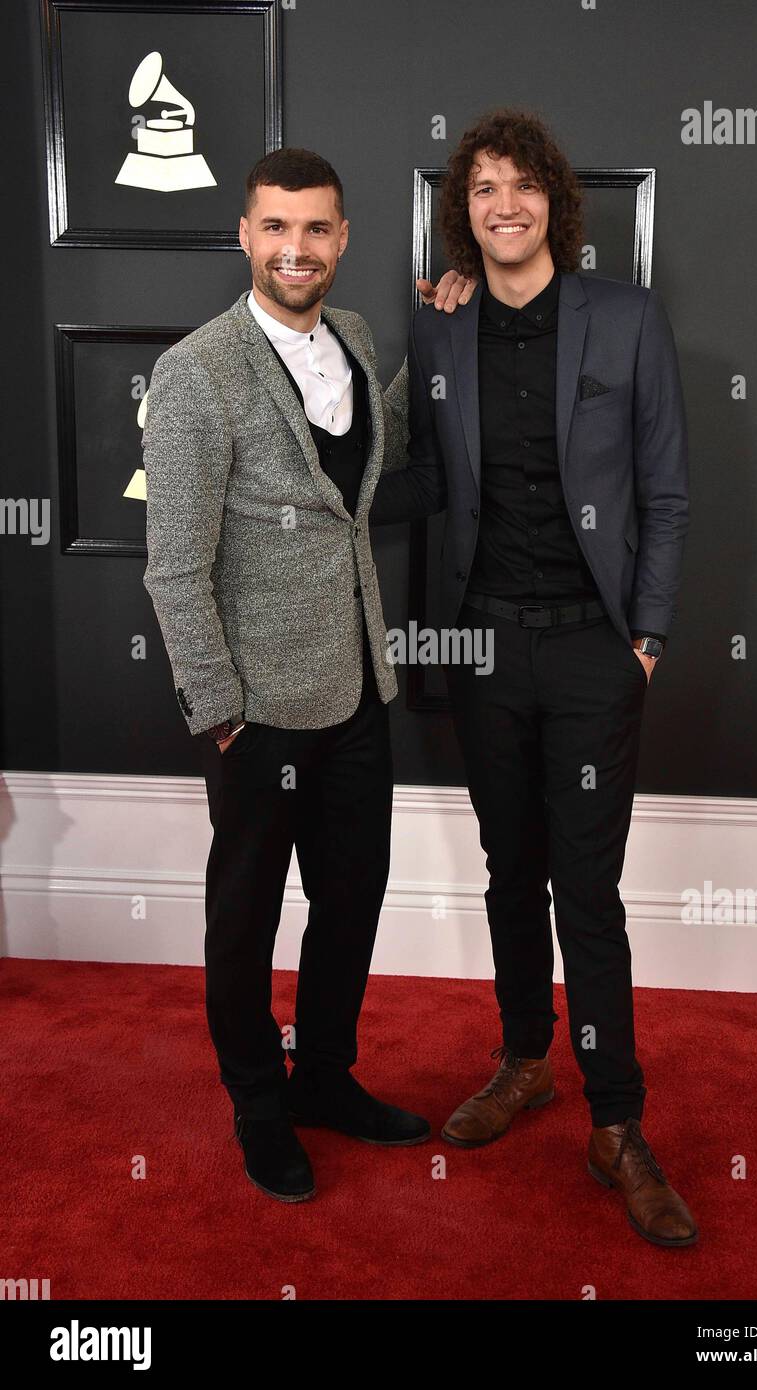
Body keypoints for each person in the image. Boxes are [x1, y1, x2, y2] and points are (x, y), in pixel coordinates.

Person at [371, 108, 697, 1247]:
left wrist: (643, 635)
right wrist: (323, 487)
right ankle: (523, 1062)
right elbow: (419, 479)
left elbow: (664, 492)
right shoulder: (441, 329)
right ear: (461, 212)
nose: (500, 203)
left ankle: (616, 1121)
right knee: (508, 867)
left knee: (583, 887)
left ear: (554, 201)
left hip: (590, 650)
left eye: (519, 186)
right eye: (479, 189)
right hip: (478, 646)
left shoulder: (625, 319)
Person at [142, 147, 469, 1203]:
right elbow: (174, 564)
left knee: (350, 900)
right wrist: (219, 710)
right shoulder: (197, 371)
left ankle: (323, 1076)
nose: (297, 248)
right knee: (243, 919)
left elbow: (373, 481)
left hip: (356, 687)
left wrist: (440, 336)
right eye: (276, 227)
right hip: (255, 708)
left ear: (341, 239)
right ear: (245, 235)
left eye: (317, 229)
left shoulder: (359, 339)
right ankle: (256, 1100)